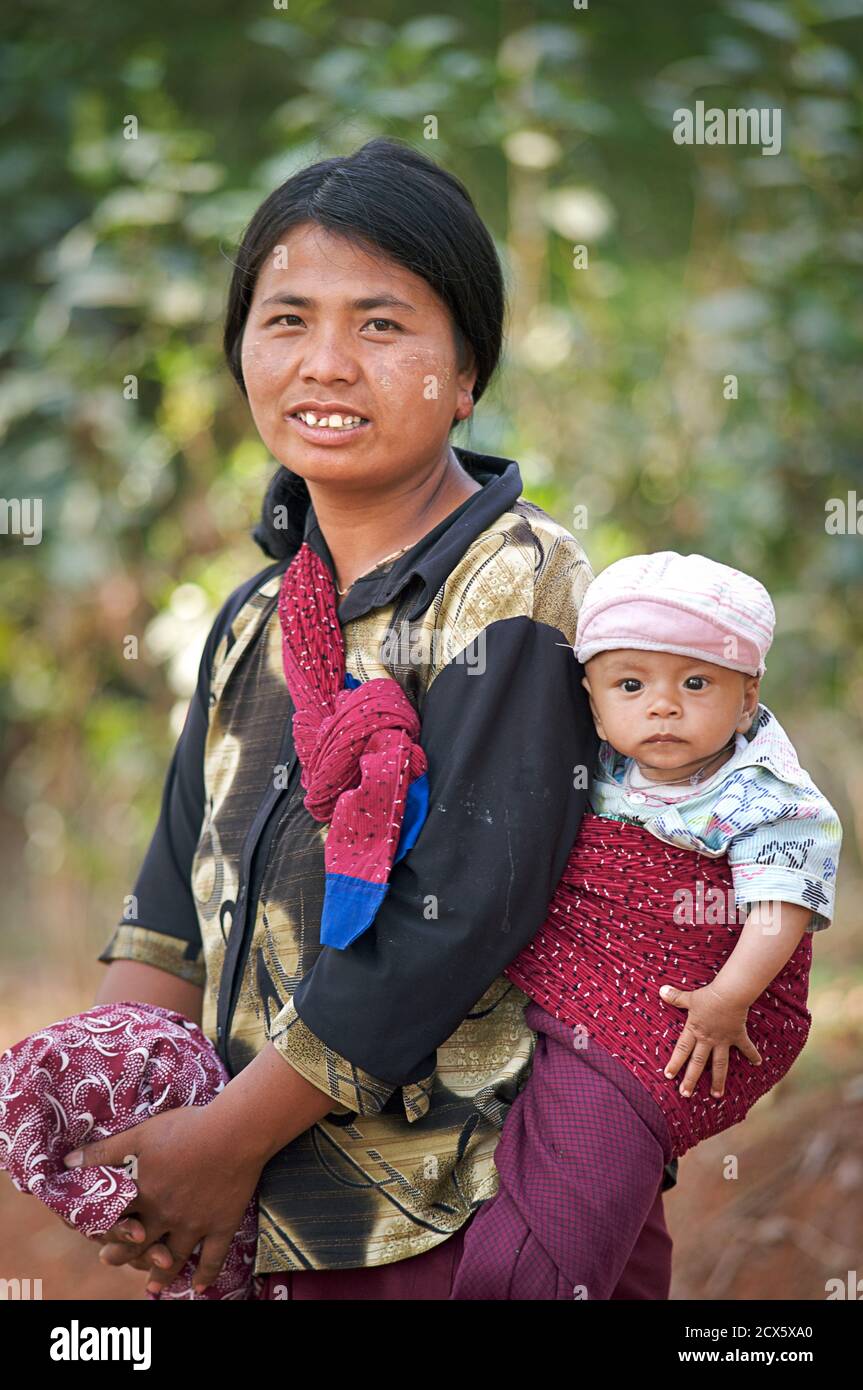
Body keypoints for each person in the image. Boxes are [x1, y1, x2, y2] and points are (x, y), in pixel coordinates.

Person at [63, 138, 676, 1300]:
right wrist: (134, 1140)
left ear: (466, 372)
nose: (325, 364)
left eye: (382, 325)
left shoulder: (520, 585)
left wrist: (222, 1142)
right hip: (275, 1222)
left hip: (463, 1214)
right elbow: (166, 919)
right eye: (286, 319)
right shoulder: (255, 619)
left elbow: (455, 918)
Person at [450, 550, 842, 1300]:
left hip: (685, 1019)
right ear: (593, 700)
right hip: (576, 1009)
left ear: (745, 695)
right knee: (590, 1202)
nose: (662, 706)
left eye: (695, 683)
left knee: (558, 1223)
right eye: (630, 684)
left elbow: (777, 906)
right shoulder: (590, 765)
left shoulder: (760, 791)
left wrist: (728, 997)